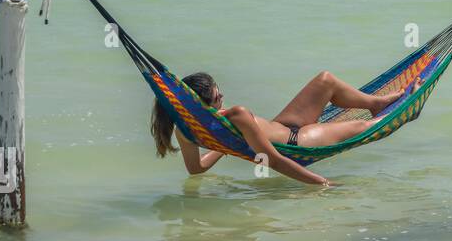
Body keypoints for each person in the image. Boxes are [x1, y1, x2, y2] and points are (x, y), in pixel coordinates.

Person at [151, 71, 417, 186]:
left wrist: (227, 146)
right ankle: (405, 112)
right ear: (206, 104)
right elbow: (274, 160)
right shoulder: (236, 115)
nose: (223, 97)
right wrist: (321, 183)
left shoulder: (185, 131)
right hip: (297, 142)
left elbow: (195, 170)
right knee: (364, 127)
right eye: (218, 95)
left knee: (326, 80)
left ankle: (375, 102)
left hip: (285, 124)